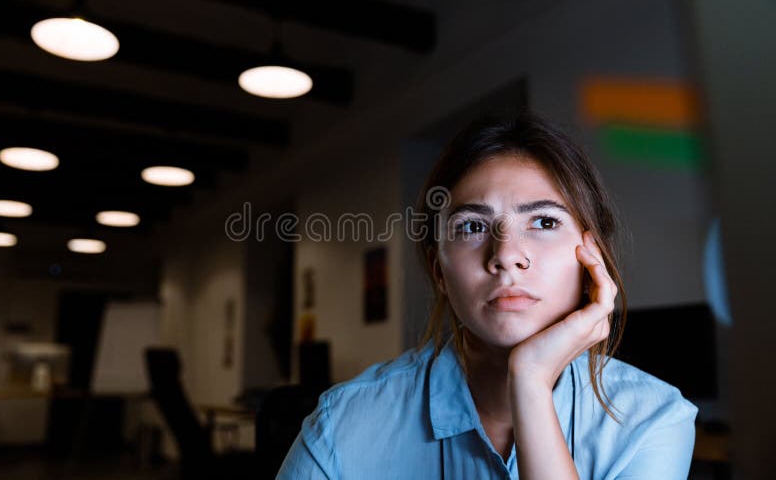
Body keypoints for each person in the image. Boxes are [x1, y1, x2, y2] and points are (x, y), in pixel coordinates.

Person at [276, 111, 698, 479]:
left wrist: (530, 383)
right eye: (472, 227)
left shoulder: (651, 420)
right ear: (439, 270)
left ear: (592, 255)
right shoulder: (342, 426)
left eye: (544, 222)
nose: (506, 255)